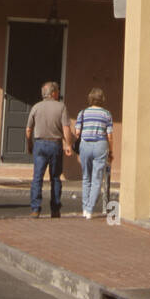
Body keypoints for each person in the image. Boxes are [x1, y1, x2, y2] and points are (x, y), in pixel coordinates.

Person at [25, 81, 73, 219]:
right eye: (57, 91)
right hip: (55, 144)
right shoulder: (61, 107)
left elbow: (28, 129)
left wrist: (29, 144)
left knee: (37, 178)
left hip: (39, 144)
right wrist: (68, 145)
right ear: (53, 93)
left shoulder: (36, 107)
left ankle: (35, 208)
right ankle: (55, 209)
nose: (58, 93)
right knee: (55, 178)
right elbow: (66, 128)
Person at [74, 88, 114, 219]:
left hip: (85, 144)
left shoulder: (82, 113)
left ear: (90, 98)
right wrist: (111, 151)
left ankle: (85, 208)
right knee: (97, 178)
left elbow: (77, 132)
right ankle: (90, 209)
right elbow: (110, 135)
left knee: (86, 177)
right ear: (102, 99)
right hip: (100, 145)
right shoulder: (107, 114)